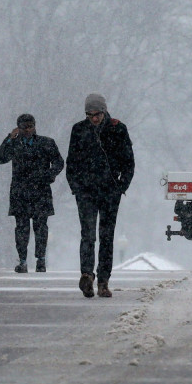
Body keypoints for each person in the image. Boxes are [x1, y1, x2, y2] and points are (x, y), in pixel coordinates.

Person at [66, 93, 134, 297]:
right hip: (86, 191)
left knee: (106, 236)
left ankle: (103, 280)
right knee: (87, 234)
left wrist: (121, 186)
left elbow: (128, 162)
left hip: (109, 191)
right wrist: (76, 186)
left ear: (104, 111)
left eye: (97, 114)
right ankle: (87, 275)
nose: (94, 118)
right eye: (90, 114)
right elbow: (72, 161)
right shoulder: (79, 130)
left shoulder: (118, 129)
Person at [0, 113, 64, 273]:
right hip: (20, 192)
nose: (28, 130)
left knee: (41, 228)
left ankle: (41, 260)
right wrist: (9, 138)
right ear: (18, 128)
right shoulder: (14, 143)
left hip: (40, 190)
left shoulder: (46, 143)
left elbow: (59, 162)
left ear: (35, 126)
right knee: (21, 228)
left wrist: (49, 175)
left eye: (30, 126)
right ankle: (23, 261)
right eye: (24, 127)